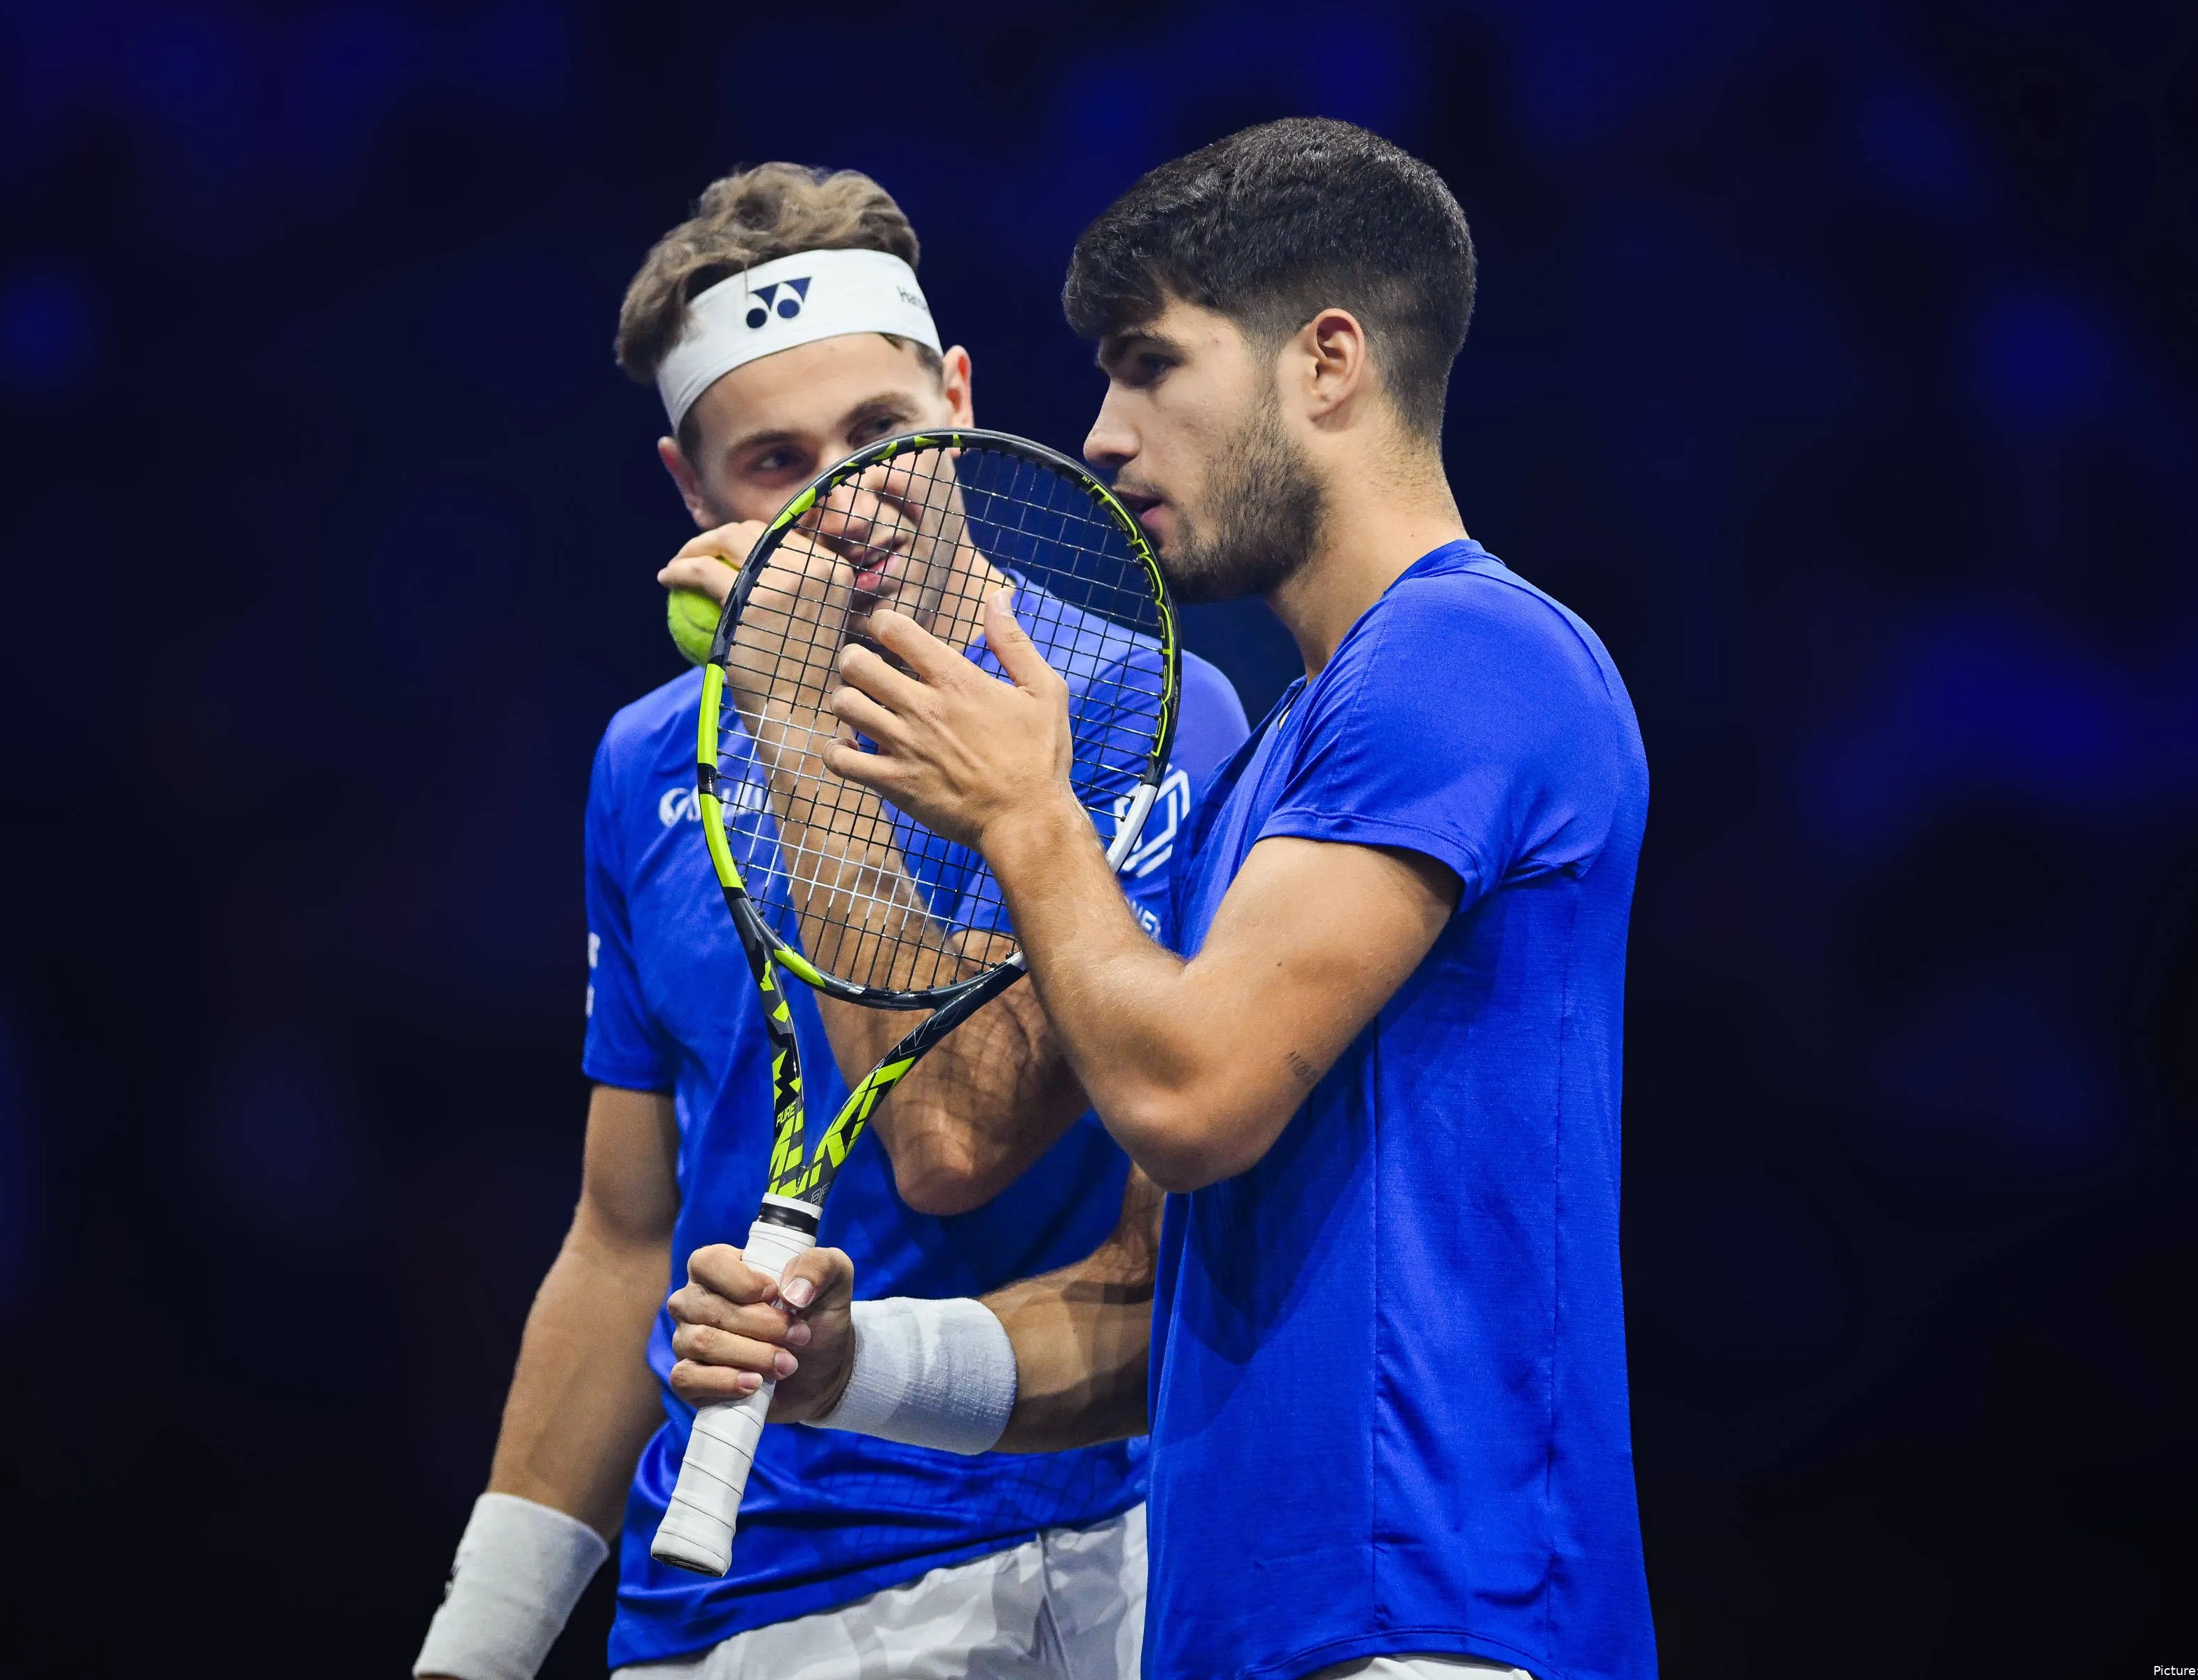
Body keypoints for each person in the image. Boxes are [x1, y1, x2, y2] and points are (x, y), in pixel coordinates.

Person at [664, 120, 1661, 1680]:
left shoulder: (1474, 658)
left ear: (1326, 363)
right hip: (1252, 1635)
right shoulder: (1281, 761)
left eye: (1151, 367)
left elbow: (1189, 1096)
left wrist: (1022, 810)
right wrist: (850, 1364)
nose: (1108, 440)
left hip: (1433, 1631)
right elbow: (1142, 1319)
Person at [412, 162, 1251, 1680]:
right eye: (775, 461)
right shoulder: (645, 761)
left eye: (882, 432)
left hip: (1032, 1574)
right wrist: (476, 1647)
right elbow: (624, 1237)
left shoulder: (1143, 708)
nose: (847, 497)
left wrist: (796, 715)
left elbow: (952, 1147)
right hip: (703, 1609)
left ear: (960, 393)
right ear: (689, 492)